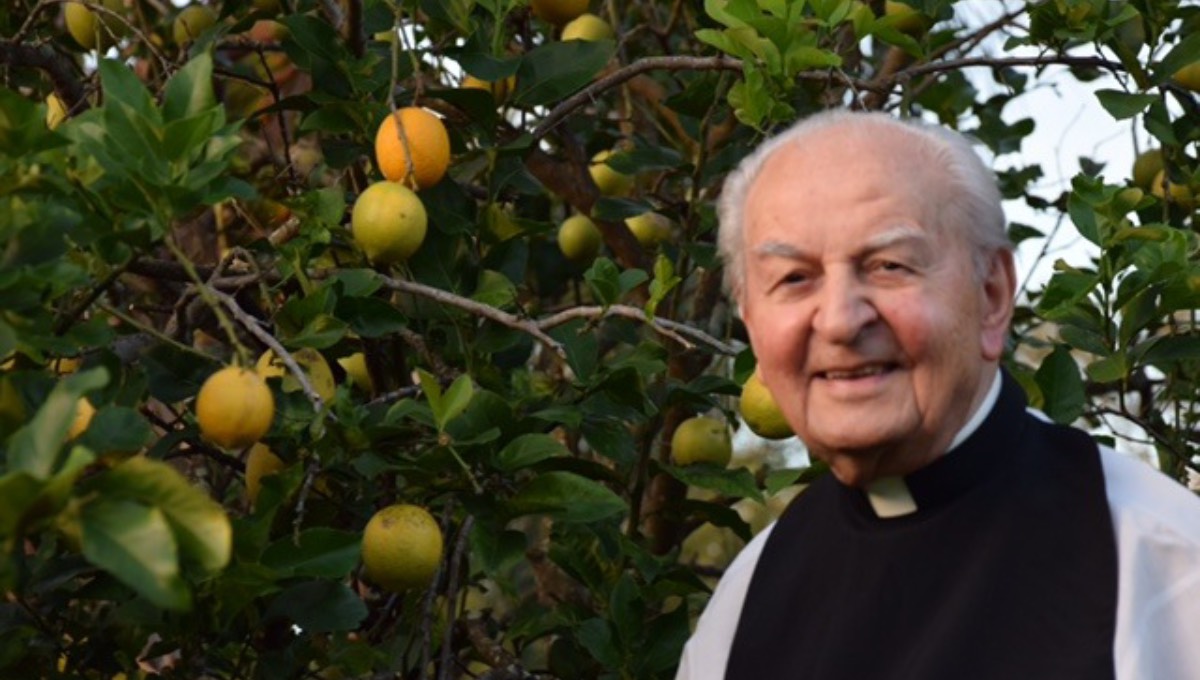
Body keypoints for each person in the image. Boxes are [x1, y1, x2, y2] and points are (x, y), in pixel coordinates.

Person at [675, 110, 1200, 679]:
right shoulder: (747, 598)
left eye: (888, 266)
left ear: (993, 294)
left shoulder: (1161, 567)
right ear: (752, 322)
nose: (840, 321)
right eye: (794, 278)